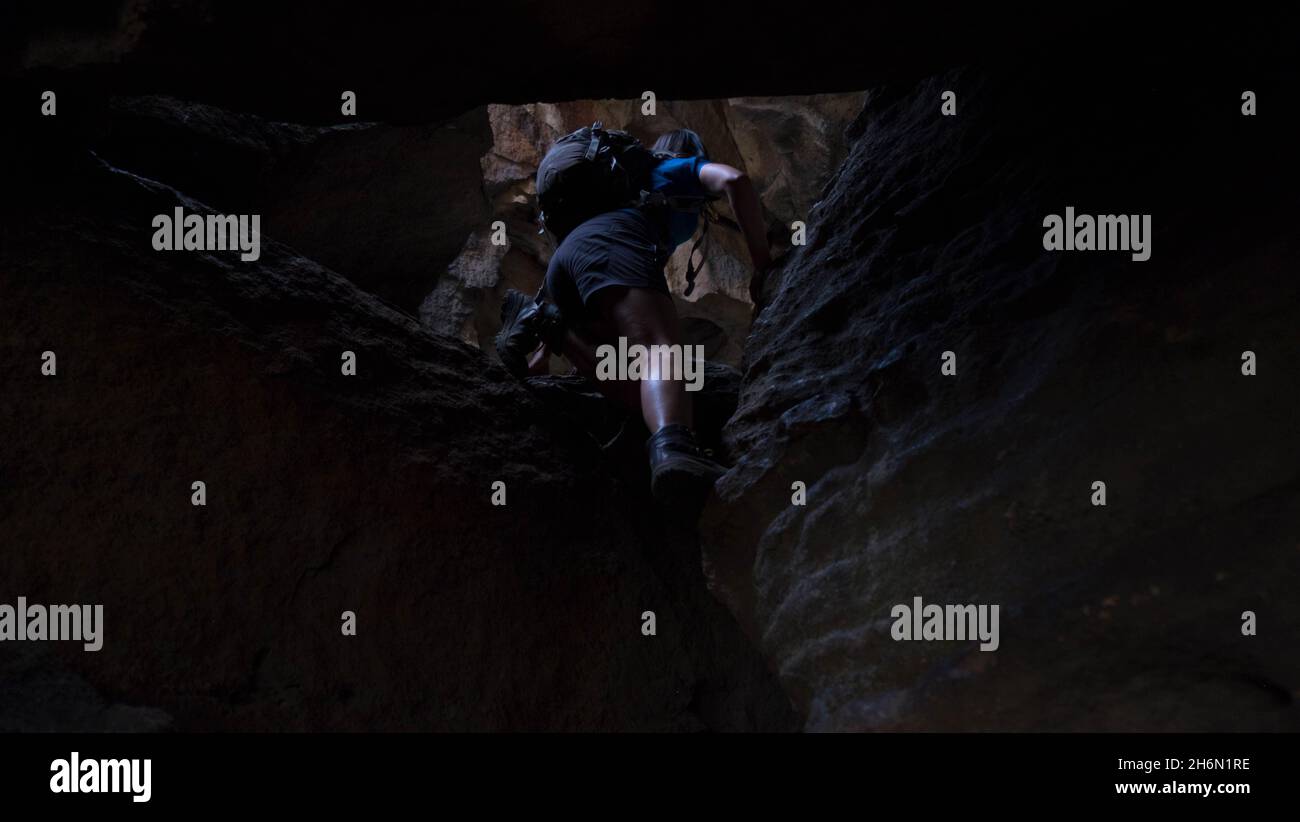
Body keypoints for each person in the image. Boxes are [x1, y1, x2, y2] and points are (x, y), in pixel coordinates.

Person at [496, 128, 771, 505]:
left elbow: (586, 253)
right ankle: (674, 449)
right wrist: (762, 267)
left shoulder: (620, 190)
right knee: (660, 349)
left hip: (566, 266)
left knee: (627, 377)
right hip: (610, 246)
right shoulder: (675, 168)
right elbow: (734, 181)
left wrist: (540, 356)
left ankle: (553, 326)